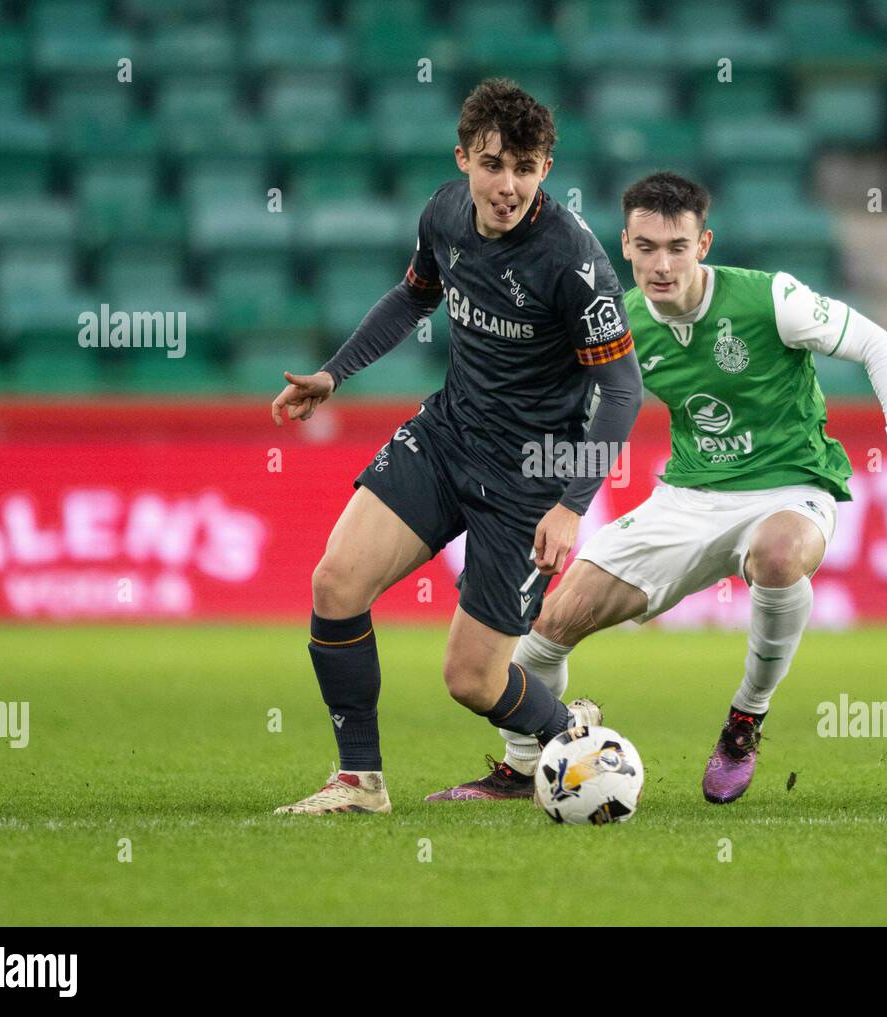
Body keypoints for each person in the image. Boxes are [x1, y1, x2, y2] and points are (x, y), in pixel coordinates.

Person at [428, 171, 887, 805]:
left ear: (703, 244)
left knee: (780, 556)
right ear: (623, 246)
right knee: (548, 624)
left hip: (790, 487)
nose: (661, 263)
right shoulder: (615, 322)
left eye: (677, 246)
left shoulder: (772, 300)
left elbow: (878, 344)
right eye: (646, 246)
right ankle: (523, 766)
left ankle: (745, 721)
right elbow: (560, 411)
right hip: (686, 500)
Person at [269, 80, 643, 814]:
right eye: (495, 163)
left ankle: (570, 729)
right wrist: (332, 372)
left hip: (529, 477)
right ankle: (359, 781)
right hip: (447, 435)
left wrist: (571, 505)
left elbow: (623, 392)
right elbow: (415, 294)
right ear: (464, 157)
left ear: (546, 167)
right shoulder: (444, 212)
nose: (509, 185)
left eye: (527, 167)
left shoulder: (573, 260)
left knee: (471, 679)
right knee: (335, 584)